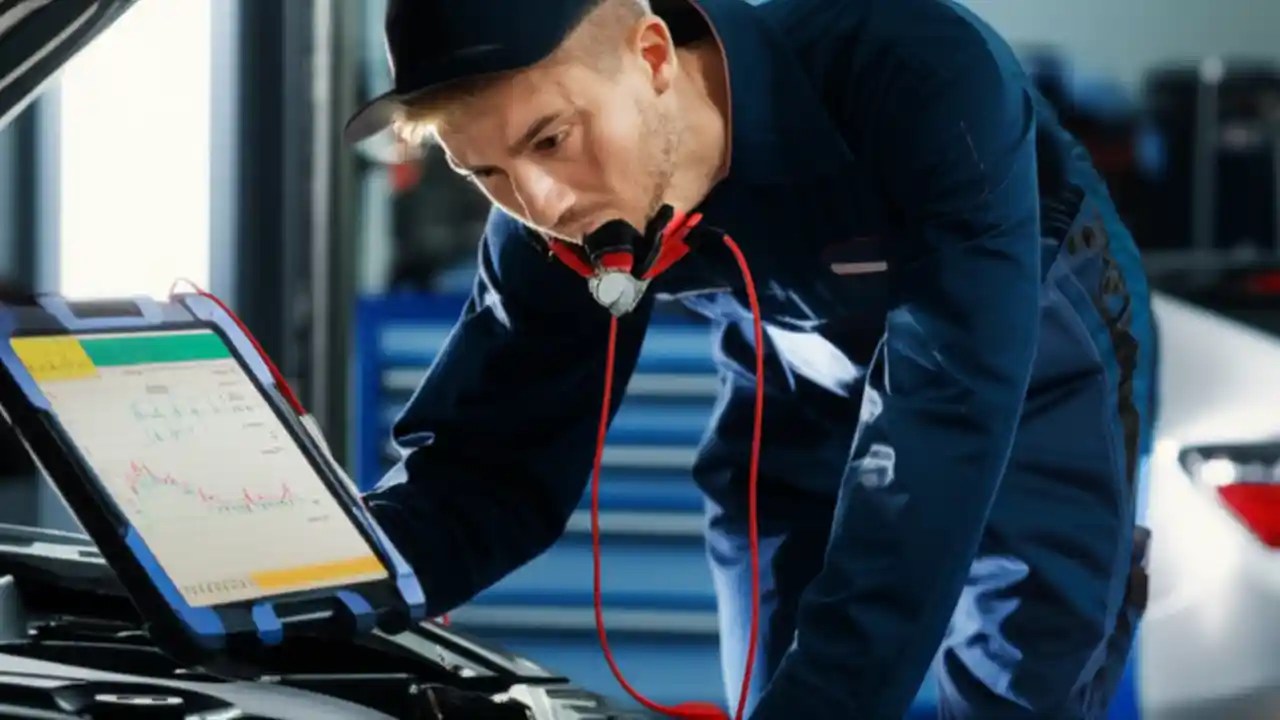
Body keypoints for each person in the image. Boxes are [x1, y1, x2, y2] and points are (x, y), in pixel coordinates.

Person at [344, 0, 1158, 717]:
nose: (543, 204)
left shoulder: (917, 72)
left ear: (653, 57)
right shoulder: (545, 223)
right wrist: (312, 579)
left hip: (1033, 360)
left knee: (1020, 676)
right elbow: (485, 467)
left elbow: (938, 440)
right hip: (795, 373)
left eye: (551, 138)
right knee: (774, 681)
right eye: (484, 170)